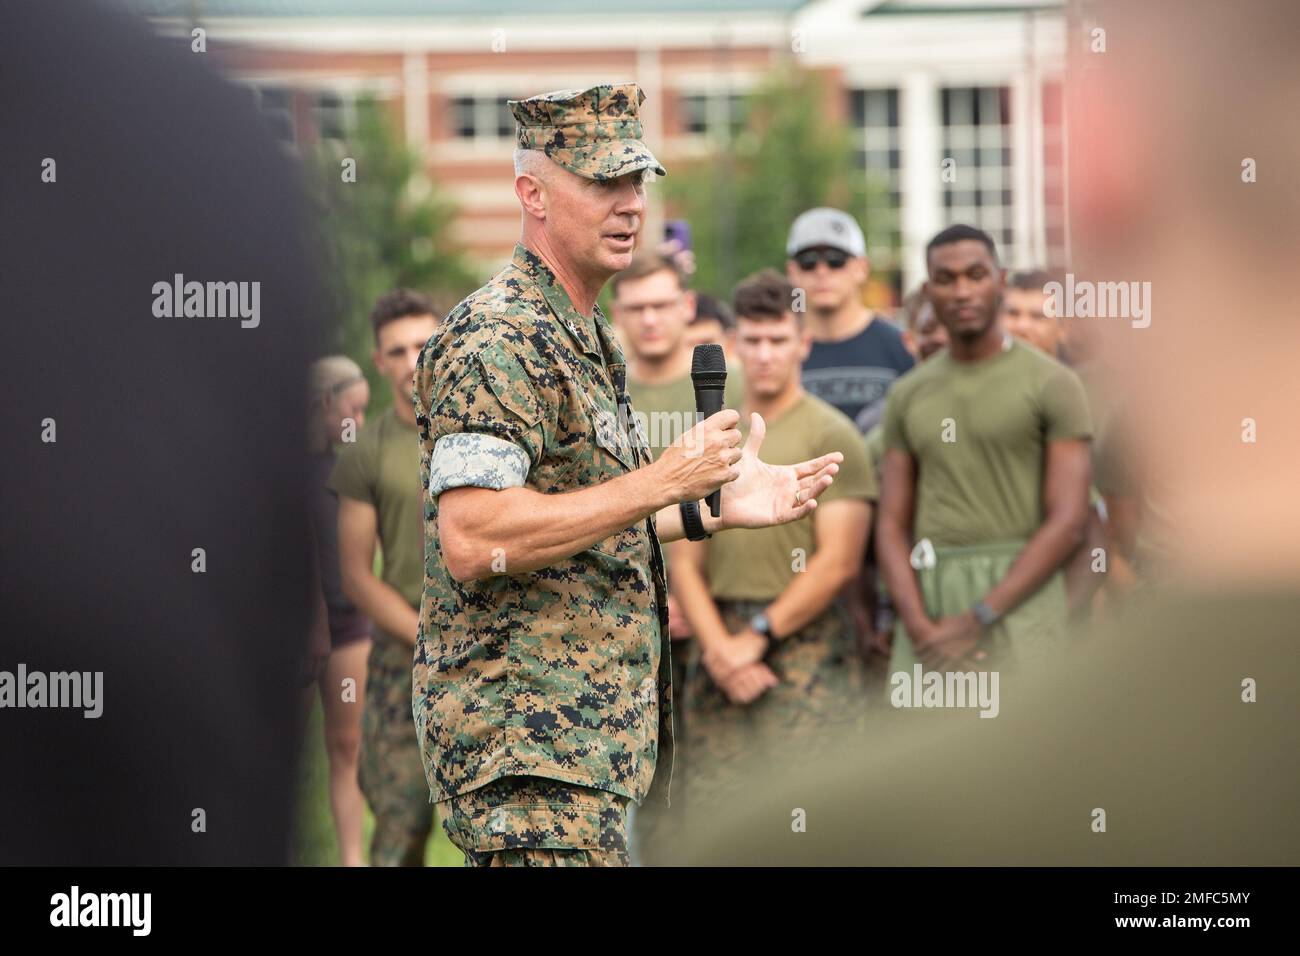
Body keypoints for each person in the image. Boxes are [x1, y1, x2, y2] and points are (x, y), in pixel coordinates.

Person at [412, 83, 844, 867]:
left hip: (590, 742)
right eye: (602, 182)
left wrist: (703, 510)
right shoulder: (500, 336)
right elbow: (473, 536)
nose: (630, 205)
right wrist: (661, 481)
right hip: (529, 751)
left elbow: (585, 519)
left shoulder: (587, 336)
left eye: (637, 182)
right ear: (531, 194)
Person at [670, 270, 874, 835]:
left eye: (778, 339)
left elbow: (838, 562)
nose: (764, 354)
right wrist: (720, 649)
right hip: (718, 638)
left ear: (803, 343)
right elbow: (686, 553)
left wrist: (756, 637)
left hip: (801, 638)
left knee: (809, 822)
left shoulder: (834, 434)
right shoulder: (712, 435)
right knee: (715, 821)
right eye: (753, 341)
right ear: (734, 346)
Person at [876, 225, 1093, 677]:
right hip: (932, 608)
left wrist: (979, 617)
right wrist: (919, 626)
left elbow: (1070, 522)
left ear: (1000, 280)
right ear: (928, 289)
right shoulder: (908, 394)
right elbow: (892, 525)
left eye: (976, 275)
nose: (961, 291)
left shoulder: (1053, 383)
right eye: (946, 278)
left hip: (1023, 601)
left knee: (1028, 745)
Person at [608, 251, 745, 864]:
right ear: (617, 315)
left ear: (688, 307)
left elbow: (741, 500)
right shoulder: (607, 391)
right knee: (641, 797)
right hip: (624, 617)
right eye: (636, 308)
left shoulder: (727, 389)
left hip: (720, 616)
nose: (651, 321)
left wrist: (696, 602)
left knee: (718, 794)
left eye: (663, 305)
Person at [329, 291, 440, 866]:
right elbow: (355, 575)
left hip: (495, 653)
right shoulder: (365, 452)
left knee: (509, 830)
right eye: (397, 350)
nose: (412, 360)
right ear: (379, 361)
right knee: (400, 830)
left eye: (423, 344)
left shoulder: (475, 427)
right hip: (405, 659)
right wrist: (428, 636)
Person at [306, 356, 373, 866]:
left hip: (350, 623)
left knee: (347, 745)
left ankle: (353, 859)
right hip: (300, 630)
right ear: (326, 404)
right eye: (355, 410)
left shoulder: (346, 467)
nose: (362, 422)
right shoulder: (284, 468)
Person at [785, 207, 914, 433]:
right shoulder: (778, 350)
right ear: (792, 271)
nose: (822, 271)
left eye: (836, 260)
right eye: (809, 261)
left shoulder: (901, 346)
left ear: (862, 268)